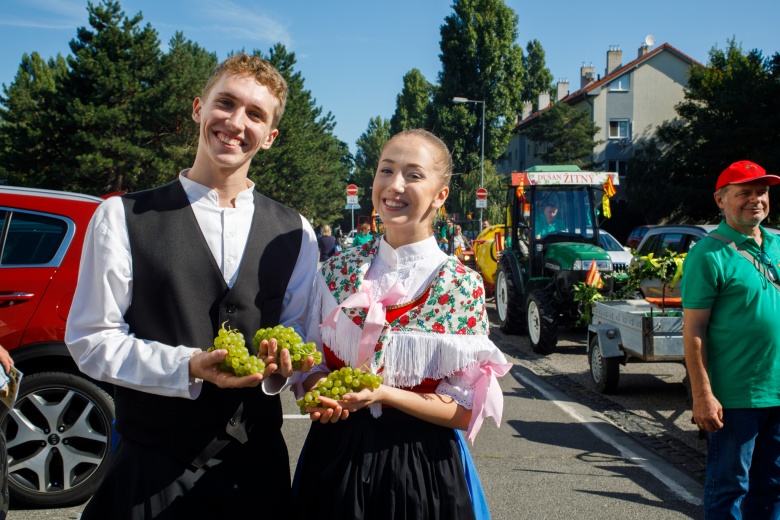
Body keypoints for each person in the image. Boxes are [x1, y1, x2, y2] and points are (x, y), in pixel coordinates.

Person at [65, 53, 319, 519]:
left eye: (256, 115)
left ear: (270, 138)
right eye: (226, 103)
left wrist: (287, 367)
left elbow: (302, 336)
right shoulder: (122, 216)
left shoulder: (296, 231)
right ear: (199, 108)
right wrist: (189, 366)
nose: (236, 122)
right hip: (151, 469)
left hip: (256, 472)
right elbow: (91, 340)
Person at [290, 129, 512, 519]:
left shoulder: (460, 285)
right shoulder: (337, 271)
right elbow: (313, 363)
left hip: (421, 469)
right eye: (386, 170)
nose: (394, 185)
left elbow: (463, 409)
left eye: (413, 174)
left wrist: (384, 394)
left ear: (441, 195)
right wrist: (316, 389)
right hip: (334, 460)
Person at [681, 160, 780, 519]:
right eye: (745, 193)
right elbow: (693, 331)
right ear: (721, 200)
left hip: (777, 391)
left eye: (762, 192)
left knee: (772, 488)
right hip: (735, 397)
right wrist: (702, 394)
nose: (756, 200)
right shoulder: (708, 255)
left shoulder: (777, 244)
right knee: (730, 489)